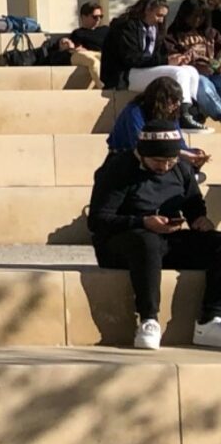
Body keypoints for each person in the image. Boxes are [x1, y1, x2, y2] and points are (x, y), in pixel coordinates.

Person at [88, 120, 221, 351]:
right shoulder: (118, 169)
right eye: (158, 161)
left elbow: (192, 203)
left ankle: (210, 319)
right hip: (124, 241)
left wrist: (199, 219)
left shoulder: (180, 168)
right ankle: (148, 319)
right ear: (142, 154)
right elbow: (98, 219)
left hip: (167, 237)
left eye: (170, 161)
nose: (164, 167)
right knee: (146, 241)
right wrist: (142, 221)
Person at [104, 0, 206, 111]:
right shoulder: (126, 26)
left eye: (163, 16)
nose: (161, 20)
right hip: (124, 74)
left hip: (145, 69)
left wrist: (178, 59)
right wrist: (166, 61)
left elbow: (159, 54)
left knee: (190, 71)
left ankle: (192, 110)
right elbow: (131, 59)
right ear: (147, 10)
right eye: (159, 15)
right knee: (179, 74)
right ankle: (183, 113)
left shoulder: (155, 28)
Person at [107, 78, 209, 166]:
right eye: (173, 100)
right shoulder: (134, 112)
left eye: (179, 100)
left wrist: (195, 154)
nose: (177, 104)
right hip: (127, 160)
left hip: (161, 160)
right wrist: (182, 154)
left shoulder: (170, 115)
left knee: (187, 170)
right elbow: (140, 145)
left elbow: (178, 144)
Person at [165, 0, 221, 121]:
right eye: (193, 16)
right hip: (194, 76)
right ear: (184, 14)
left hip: (214, 71)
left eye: (201, 16)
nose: (197, 20)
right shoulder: (173, 36)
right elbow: (173, 58)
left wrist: (217, 63)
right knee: (203, 85)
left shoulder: (212, 34)